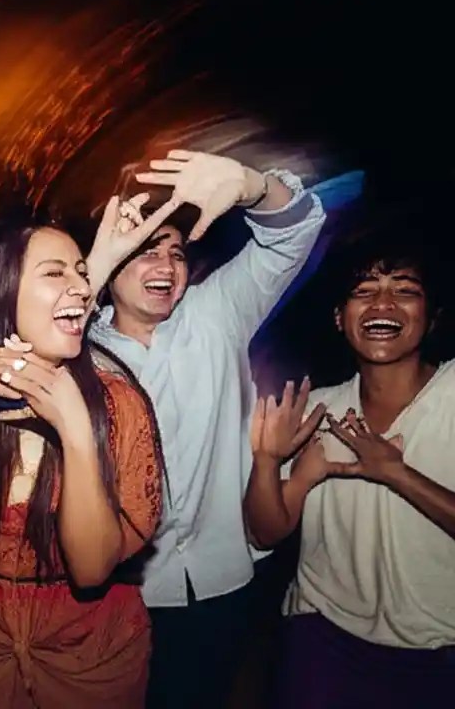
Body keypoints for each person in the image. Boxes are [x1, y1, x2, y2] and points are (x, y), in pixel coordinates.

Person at [0, 197, 166, 708]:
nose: (84, 287)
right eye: (55, 272)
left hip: (90, 650)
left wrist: (75, 432)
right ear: (0, 292)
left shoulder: (119, 405)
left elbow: (91, 570)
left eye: (83, 273)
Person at [88, 149, 327, 708]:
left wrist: (249, 185)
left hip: (219, 582)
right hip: (112, 591)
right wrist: (90, 270)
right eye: (145, 252)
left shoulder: (214, 311)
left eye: (175, 253)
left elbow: (294, 234)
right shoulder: (77, 347)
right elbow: (7, 363)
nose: (166, 266)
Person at [244, 230, 455, 708]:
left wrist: (395, 472)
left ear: (432, 316)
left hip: (439, 650)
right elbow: (264, 533)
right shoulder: (317, 409)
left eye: (405, 290)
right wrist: (268, 461)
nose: (383, 303)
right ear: (340, 319)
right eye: (364, 292)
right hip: (324, 638)